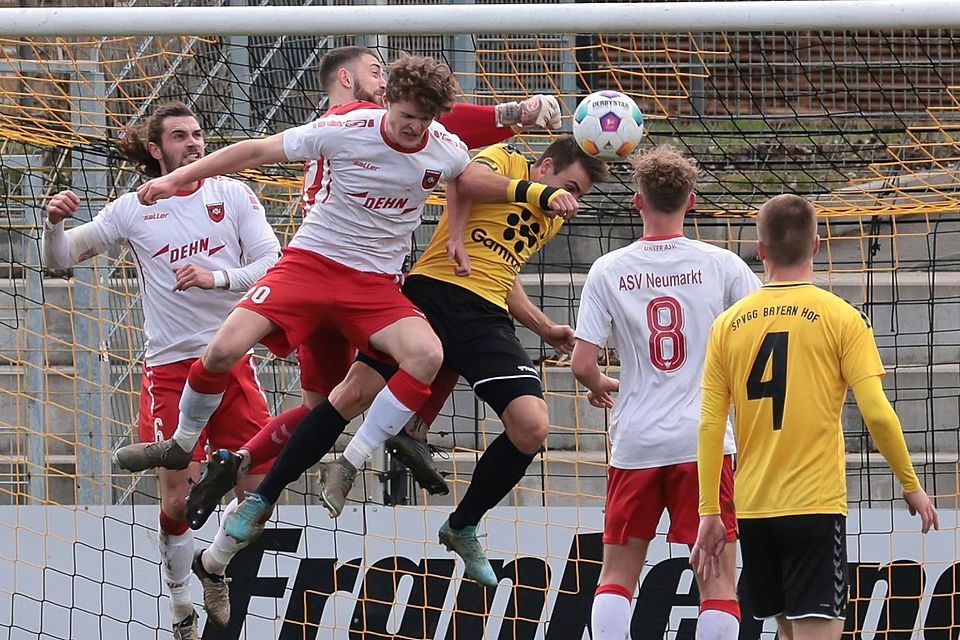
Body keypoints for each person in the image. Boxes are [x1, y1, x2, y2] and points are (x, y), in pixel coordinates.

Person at [112, 55, 577, 487]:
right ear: (381, 97)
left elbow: (461, 175)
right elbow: (255, 150)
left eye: (425, 119)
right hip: (311, 267)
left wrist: (458, 229)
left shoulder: (443, 144)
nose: (415, 128)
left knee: (396, 370)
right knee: (222, 353)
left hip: (372, 285)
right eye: (406, 115)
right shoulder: (344, 126)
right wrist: (175, 179)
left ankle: (344, 462)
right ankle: (183, 443)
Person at [217, 135, 605, 590]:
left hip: (485, 319)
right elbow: (469, 180)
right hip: (432, 294)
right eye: (572, 187)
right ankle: (262, 499)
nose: (572, 200)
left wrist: (544, 328)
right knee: (350, 393)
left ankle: (462, 525)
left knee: (533, 425)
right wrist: (543, 193)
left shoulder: (550, 217)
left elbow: (503, 269)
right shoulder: (507, 161)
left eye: (580, 195)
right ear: (545, 166)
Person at [41, 102, 281, 639]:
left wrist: (217, 278)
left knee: (260, 496)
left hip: (233, 360)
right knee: (177, 501)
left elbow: (274, 262)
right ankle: (180, 606)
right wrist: (53, 223)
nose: (194, 143)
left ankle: (212, 565)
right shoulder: (132, 209)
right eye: (180, 136)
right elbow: (60, 259)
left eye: (198, 134)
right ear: (156, 150)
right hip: (171, 368)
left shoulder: (233, 194)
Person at [691, 194, 939, 640]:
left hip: (754, 509)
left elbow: (711, 423)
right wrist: (910, 483)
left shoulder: (727, 325)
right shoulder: (842, 318)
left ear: (760, 250)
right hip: (814, 507)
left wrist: (710, 509)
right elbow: (877, 413)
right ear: (817, 245)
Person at [569, 145, 761, 640]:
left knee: (617, 576)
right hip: (706, 439)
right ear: (691, 202)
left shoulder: (609, 269)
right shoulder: (722, 266)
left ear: (638, 201)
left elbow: (583, 364)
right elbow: (759, 341)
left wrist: (604, 385)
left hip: (636, 441)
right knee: (717, 581)